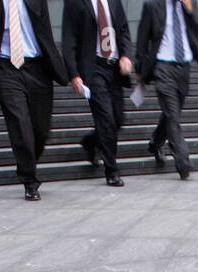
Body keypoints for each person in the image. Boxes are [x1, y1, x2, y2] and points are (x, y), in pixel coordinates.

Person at [0, 0, 68, 201]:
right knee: (20, 124)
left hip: (37, 67)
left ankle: (28, 161)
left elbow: (45, 30)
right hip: (5, 67)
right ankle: (29, 179)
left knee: (41, 130)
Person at [62, 0, 135, 187]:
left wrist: (126, 55)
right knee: (106, 118)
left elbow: (124, 30)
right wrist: (74, 75)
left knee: (117, 118)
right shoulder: (76, 3)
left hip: (114, 68)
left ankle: (90, 142)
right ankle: (112, 170)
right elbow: (69, 39)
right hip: (93, 68)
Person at [136, 0, 198, 180]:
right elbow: (142, 38)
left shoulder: (189, 3)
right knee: (172, 114)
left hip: (184, 66)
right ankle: (183, 161)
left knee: (171, 113)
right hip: (162, 66)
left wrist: (190, 10)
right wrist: (139, 68)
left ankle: (156, 141)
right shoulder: (152, 6)